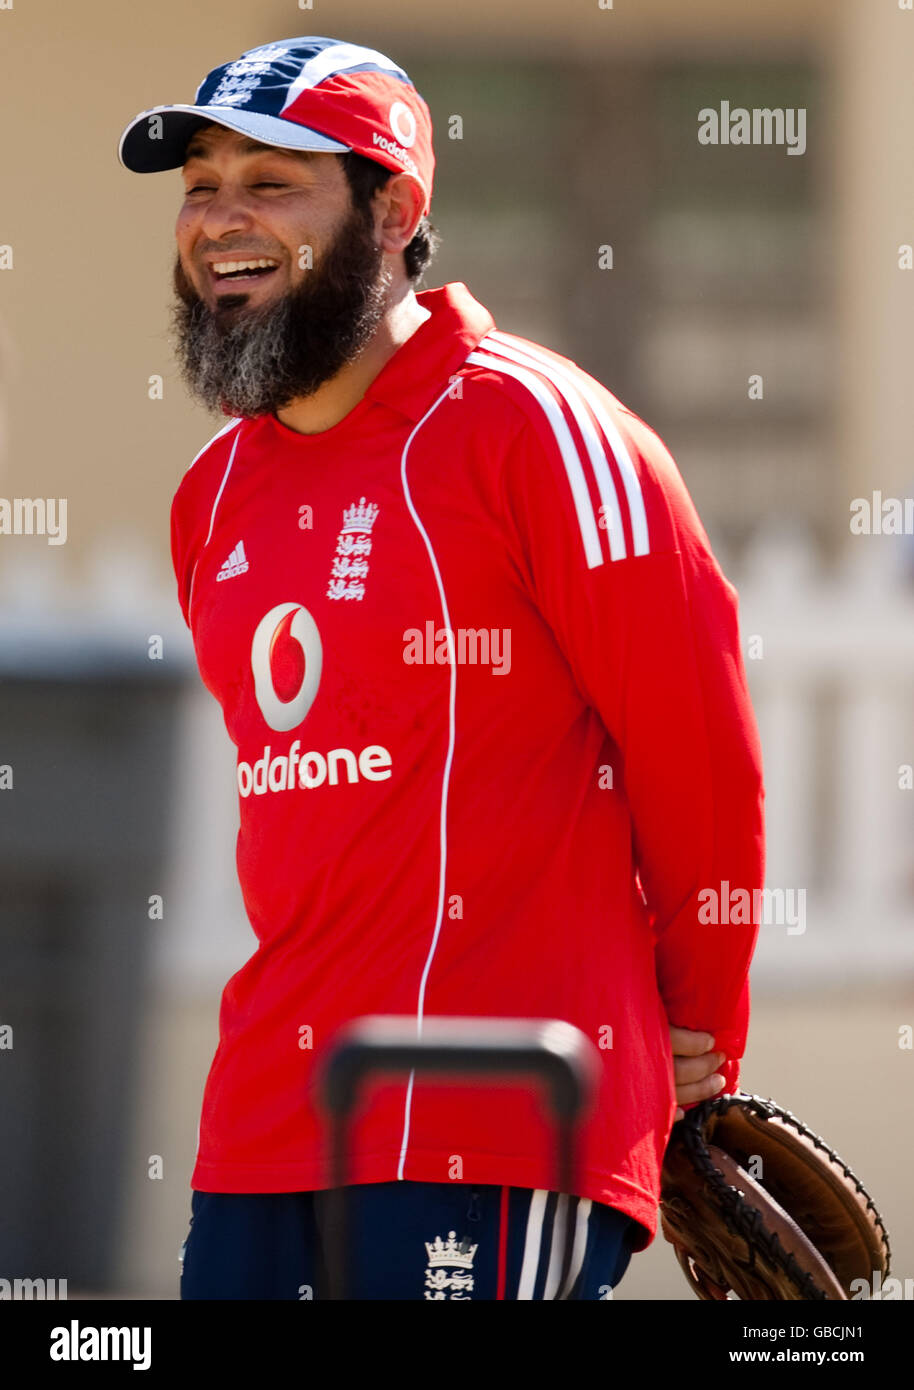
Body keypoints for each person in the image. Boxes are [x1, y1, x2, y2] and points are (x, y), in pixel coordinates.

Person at [118, 35, 765, 1301]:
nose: (221, 220)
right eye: (202, 184)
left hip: (500, 1107)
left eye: (274, 182)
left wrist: (697, 1046)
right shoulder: (212, 500)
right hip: (264, 1124)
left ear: (395, 210)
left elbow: (695, 747)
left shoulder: (538, 427)